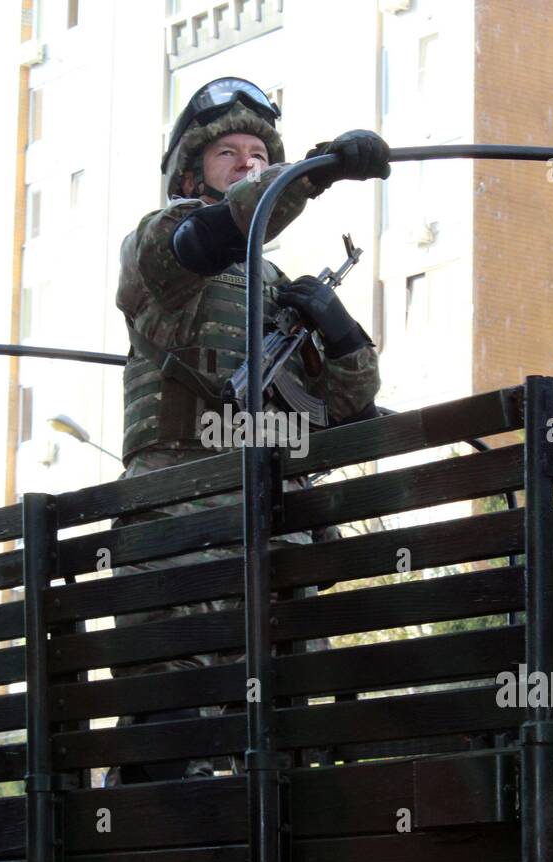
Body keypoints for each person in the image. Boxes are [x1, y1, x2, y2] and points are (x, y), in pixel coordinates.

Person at [107, 77, 386, 784]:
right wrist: (313, 173)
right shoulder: (163, 244)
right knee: (171, 735)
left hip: (271, 533)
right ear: (191, 169)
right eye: (226, 151)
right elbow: (216, 234)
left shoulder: (274, 284)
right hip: (179, 524)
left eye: (258, 151)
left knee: (276, 743)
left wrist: (339, 330)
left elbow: (344, 408)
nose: (246, 162)